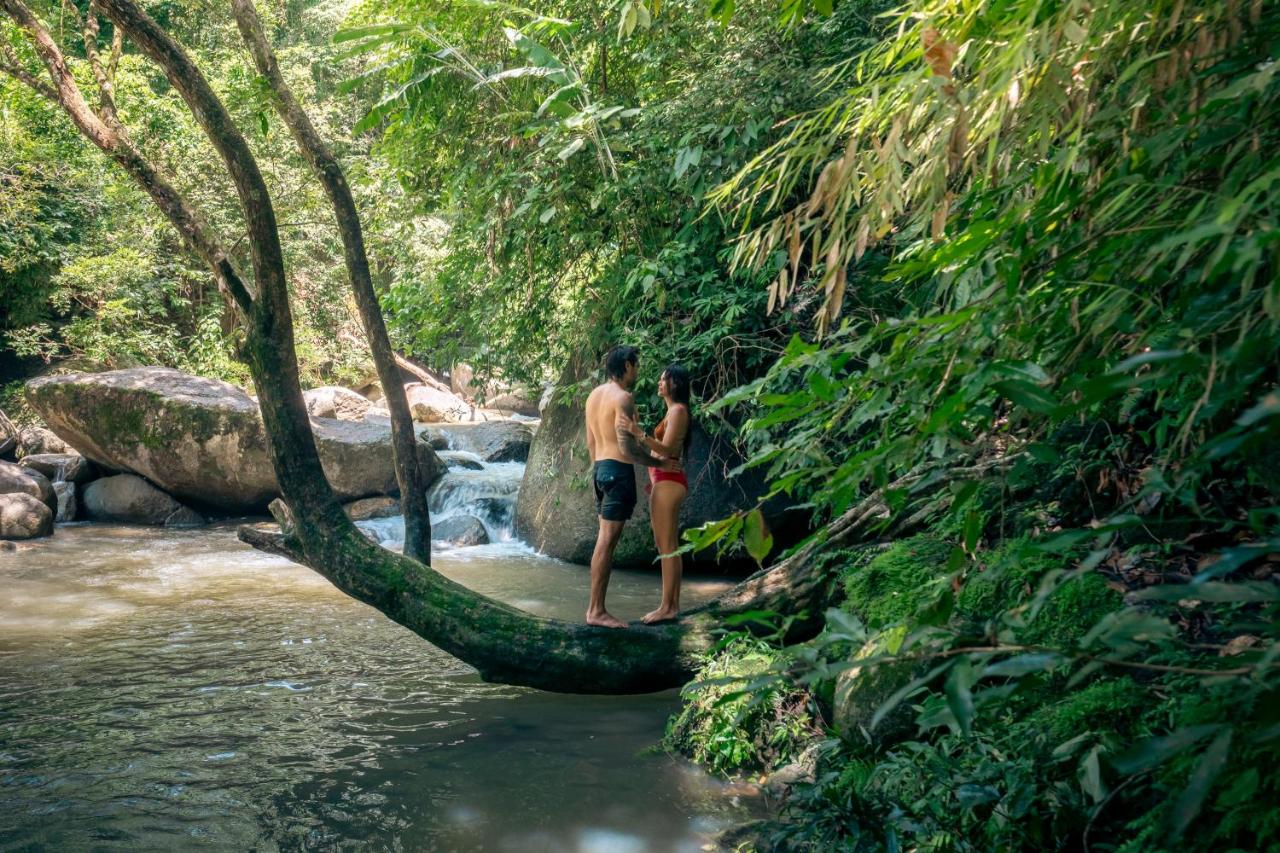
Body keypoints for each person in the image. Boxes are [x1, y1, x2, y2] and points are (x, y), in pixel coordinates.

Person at [583, 346, 679, 628]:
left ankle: (595, 609)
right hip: (617, 470)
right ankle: (596, 611)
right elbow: (626, 447)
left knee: (604, 539)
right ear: (626, 365)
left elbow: (590, 442)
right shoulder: (623, 398)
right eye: (636, 366)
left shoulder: (594, 396)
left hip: (600, 469)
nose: (638, 372)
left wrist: (599, 473)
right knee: (607, 542)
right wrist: (660, 463)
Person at [620, 364, 691, 624]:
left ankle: (667, 608)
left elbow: (668, 447)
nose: (659, 383)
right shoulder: (672, 411)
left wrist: (638, 433)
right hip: (665, 481)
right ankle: (671, 605)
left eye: (664, 380)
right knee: (668, 546)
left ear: (676, 384)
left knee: (667, 547)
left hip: (669, 483)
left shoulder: (679, 411)